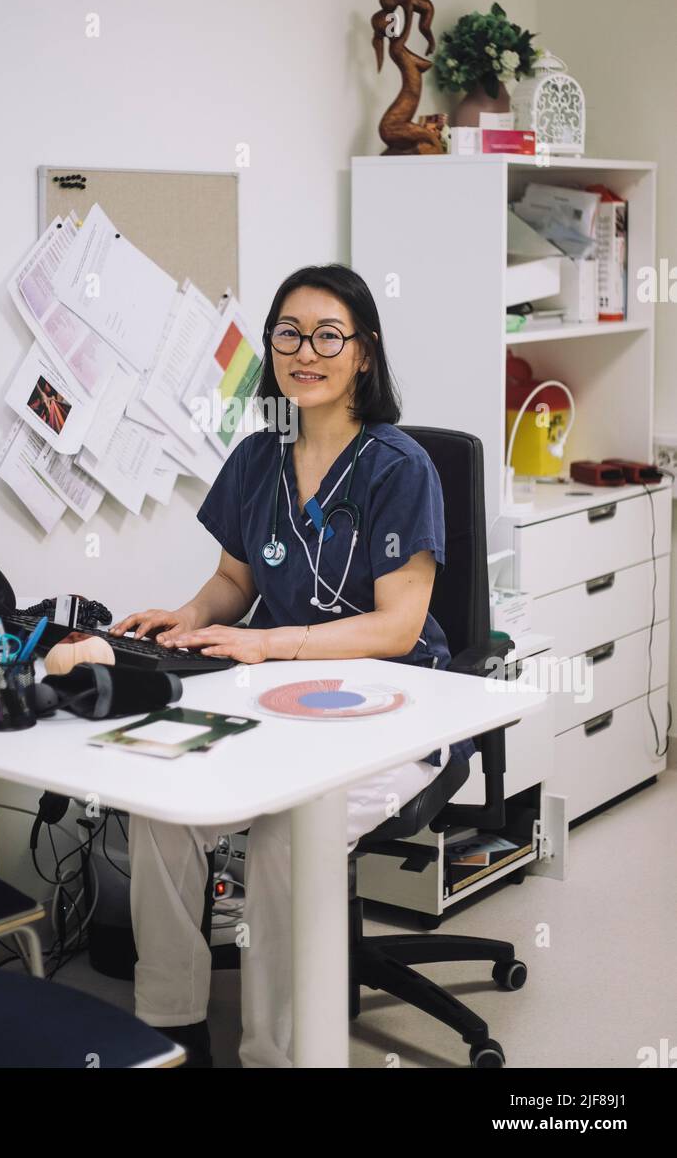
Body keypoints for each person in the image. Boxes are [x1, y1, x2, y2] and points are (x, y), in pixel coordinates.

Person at [109, 264, 472, 1068]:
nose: (305, 352)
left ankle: (276, 1054)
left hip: (398, 710)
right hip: (274, 698)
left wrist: (270, 643)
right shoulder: (255, 458)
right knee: (160, 802)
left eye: (328, 335)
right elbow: (236, 581)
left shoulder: (398, 467)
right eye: (287, 333)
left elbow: (399, 624)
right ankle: (173, 1028)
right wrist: (192, 615)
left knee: (283, 837)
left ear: (365, 354)